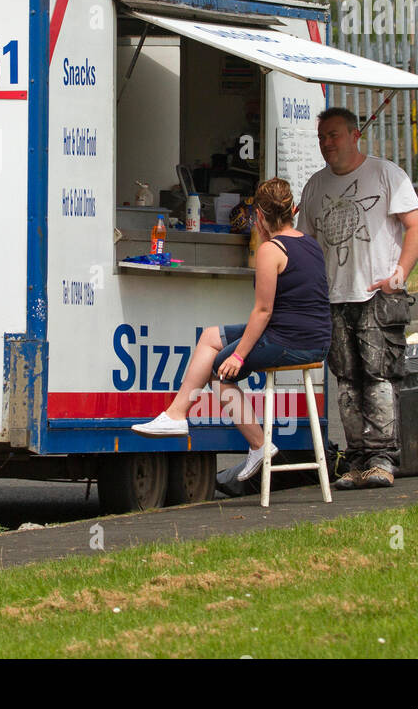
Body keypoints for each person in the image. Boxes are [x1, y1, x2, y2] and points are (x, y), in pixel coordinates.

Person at [132, 178, 332, 484]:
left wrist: (238, 356)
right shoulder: (310, 243)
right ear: (293, 209)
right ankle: (176, 415)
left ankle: (259, 444)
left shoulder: (270, 250)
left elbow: (263, 311)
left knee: (220, 373)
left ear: (259, 218)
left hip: (291, 339)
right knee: (210, 336)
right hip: (311, 335)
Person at [296, 106, 418, 490]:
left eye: (333, 135)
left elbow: (416, 225)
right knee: (347, 382)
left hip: (376, 297)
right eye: (322, 137)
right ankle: (357, 459)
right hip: (333, 298)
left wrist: (399, 274)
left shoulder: (385, 174)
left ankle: (384, 458)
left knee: (379, 376)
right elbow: (307, 244)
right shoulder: (315, 187)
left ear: (356, 135)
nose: (326, 144)